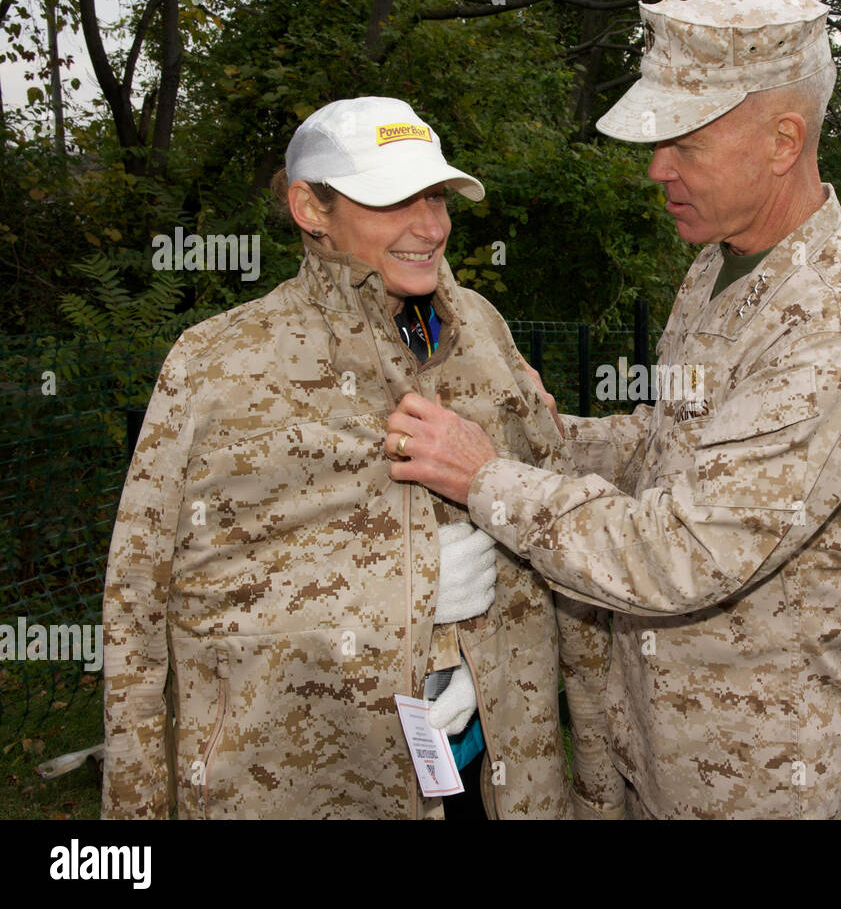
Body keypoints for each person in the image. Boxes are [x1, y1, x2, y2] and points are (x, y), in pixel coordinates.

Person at [385, 0, 841, 819]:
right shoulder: (724, 262)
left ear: (784, 140)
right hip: (653, 737)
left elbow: (683, 550)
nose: (657, 169)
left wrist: (487, 477)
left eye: (685, 142)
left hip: (746, 771)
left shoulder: (840, 330)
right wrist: (546, 431)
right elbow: (672, 439)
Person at [101, 97, 621, 819]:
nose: (431, 225)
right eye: (393, 199)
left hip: (494, 765)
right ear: (310, 208)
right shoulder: (219, 365)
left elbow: (551, 506)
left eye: (436, 194)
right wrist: (410, 588)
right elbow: (144, 600)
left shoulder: (480, 329)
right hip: (317, 777)